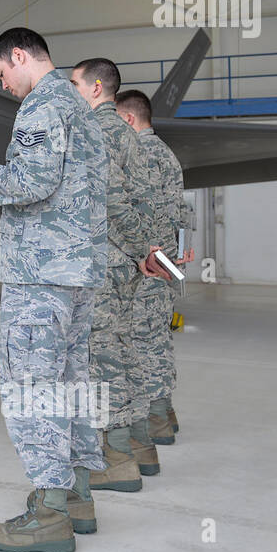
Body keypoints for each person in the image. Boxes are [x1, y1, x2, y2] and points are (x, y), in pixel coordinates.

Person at [0, 28, 106, 552]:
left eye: (2, 73)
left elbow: (32, 181)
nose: (6, 85)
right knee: (73, 382)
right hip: (79, 271)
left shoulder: (42, 105)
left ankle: (49, 514)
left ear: (19, 56)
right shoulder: (83, 108)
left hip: (40, 274)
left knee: (32, 388)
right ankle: (79, 495)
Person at [69, 59, 151, 502]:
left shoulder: (97, 129)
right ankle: (126, 449)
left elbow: (113, 200)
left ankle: (112, 459)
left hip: (105, 261)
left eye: (75, 83)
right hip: (122, 263)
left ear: (96, 86)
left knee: (99, 360)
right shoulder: (126, 131)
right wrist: (145, 250)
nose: (71, 90)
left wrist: (140, 249)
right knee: (117, 350)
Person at [116, 89, 193, 453]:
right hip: (165, 261)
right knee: (157, 338)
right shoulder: (167, 154)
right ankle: (163, 413)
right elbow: (180, 211)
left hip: (148, 263)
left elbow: (134, 213)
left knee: (140, 343)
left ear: (129, 119)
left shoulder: (140, 153)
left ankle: (152, 420)